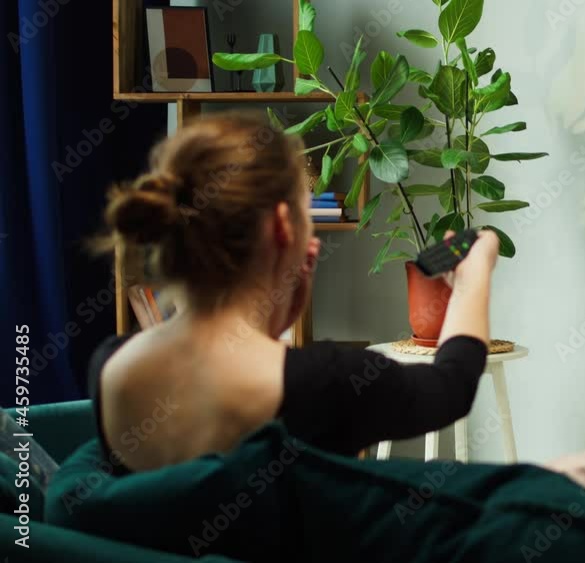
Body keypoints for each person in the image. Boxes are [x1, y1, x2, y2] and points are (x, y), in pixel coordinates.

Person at [87, 110, 501, 474]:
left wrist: (287, 290)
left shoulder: (112, 367)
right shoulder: (325, 381)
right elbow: (451, 387)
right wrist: (472, 278)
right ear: (283, 225)